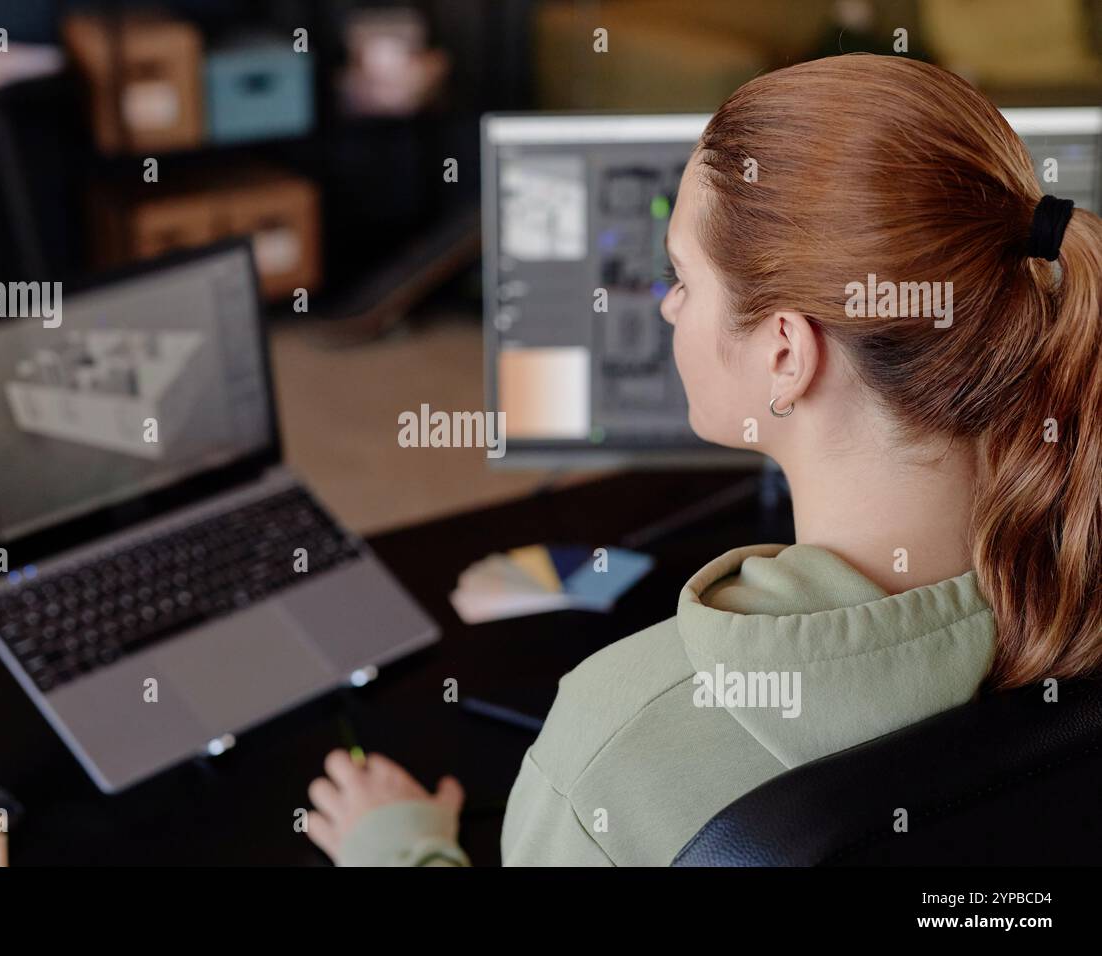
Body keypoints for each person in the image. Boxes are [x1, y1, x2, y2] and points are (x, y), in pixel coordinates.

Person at [303, 53, 1102, 866]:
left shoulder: (617, 740)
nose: (667, 304)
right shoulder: (1076, 595)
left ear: (787, 354)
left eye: (682, 275)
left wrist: (399, 850)